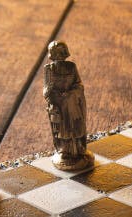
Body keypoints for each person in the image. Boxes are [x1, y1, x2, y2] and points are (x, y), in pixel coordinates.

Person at [43, 41, 94, 171]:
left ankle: (78, 150)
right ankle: (64, 151)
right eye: (56, 53)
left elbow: (79, 85)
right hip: (59, 106)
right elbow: (46, 90)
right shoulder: (48, 69)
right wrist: (54, 95)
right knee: (62, 130)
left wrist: (71, 94)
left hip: (72, 105)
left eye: (61, 52)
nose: (59, 55)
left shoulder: (71, 67)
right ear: (52, 54)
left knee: (76, 127)